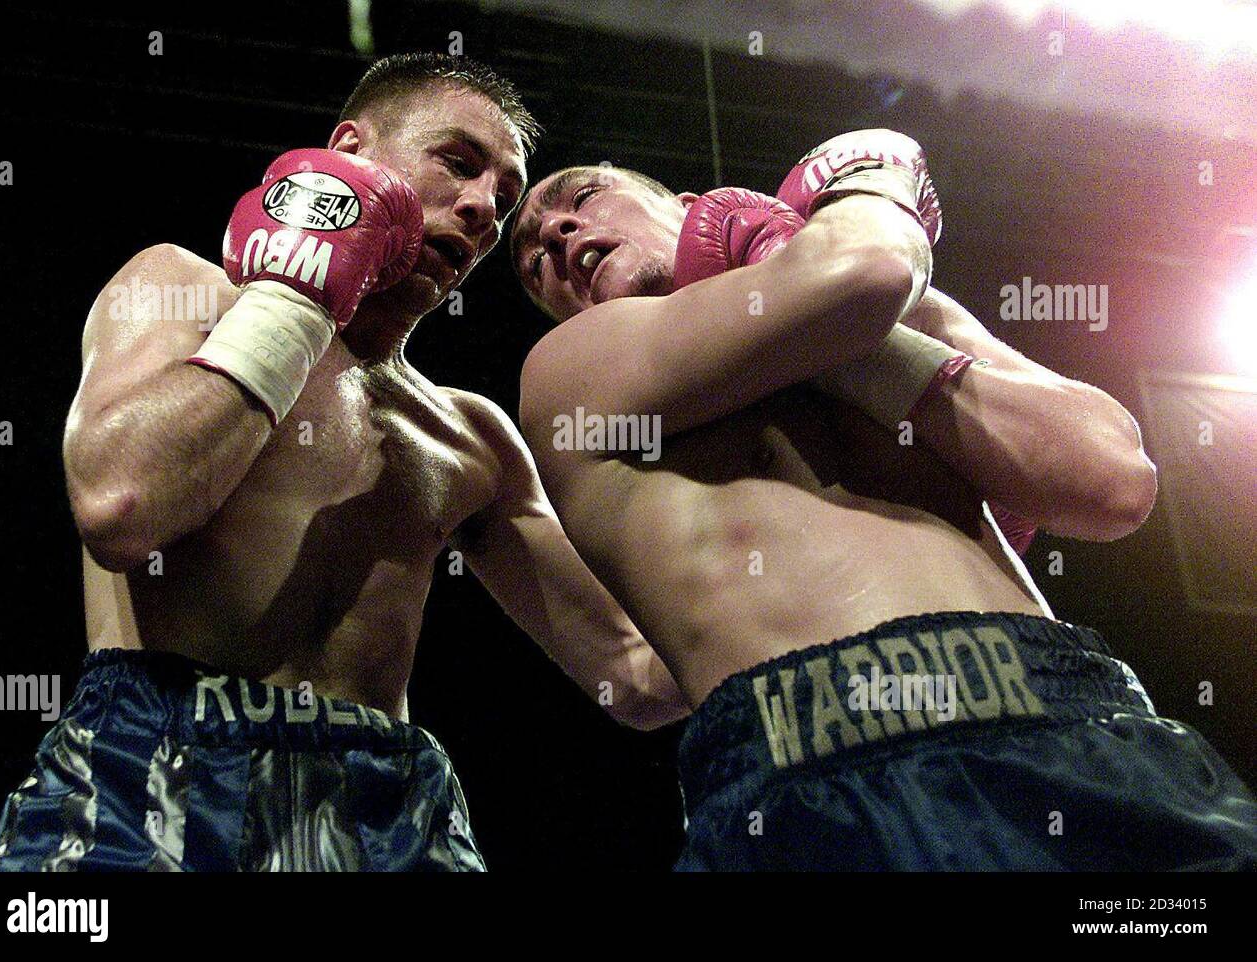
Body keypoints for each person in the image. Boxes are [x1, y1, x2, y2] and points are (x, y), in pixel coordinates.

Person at [0, 52, 685, 873]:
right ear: (350, 149)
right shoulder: (184, 292)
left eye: (497, 203)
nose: (480, 210)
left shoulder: (470, 437)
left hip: (383, 807)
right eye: (457, 165)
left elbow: (636, 673)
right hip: (153, 761)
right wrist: (297, 300)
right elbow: (121, 505)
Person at [509, 129, 1257, 869]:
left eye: (582, 197)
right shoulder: (574, 371)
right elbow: (862, 270)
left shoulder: (904, 307)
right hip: (815, 763)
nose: (559, 233)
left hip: (1077, 718)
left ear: (689, 206)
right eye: (534, 258)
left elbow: (1114, 480)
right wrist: (873, 177)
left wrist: (862, 337)